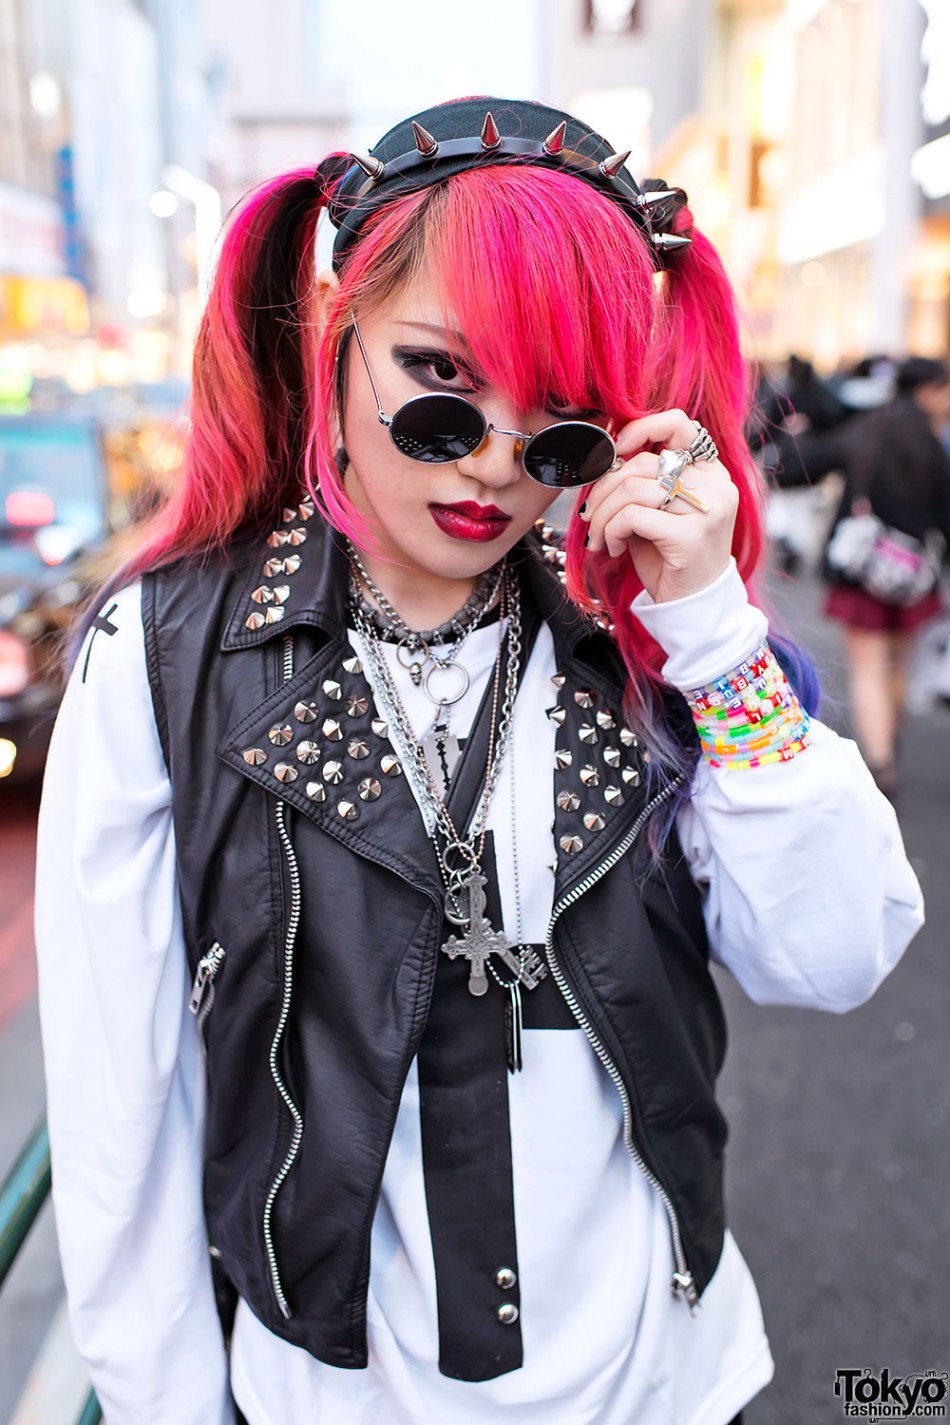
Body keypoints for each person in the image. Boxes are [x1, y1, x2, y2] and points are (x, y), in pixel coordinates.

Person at [34, 98, 923, 1425]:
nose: (499, 467)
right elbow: (122, 1111)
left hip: (666, 1384)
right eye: (442, 388)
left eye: (560, 421)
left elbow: (838, 951)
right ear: (338, 337)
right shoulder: (164, 650)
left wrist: (709, 626)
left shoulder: (655, 638)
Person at [822, 355, 950, 797]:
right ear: (929, 389)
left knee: (869, 669)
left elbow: (817, 458)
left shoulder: (870, 427)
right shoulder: (934, 443)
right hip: (913, 576)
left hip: (863, 571)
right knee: (896, 666)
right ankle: (888, 749)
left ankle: (880, 763)